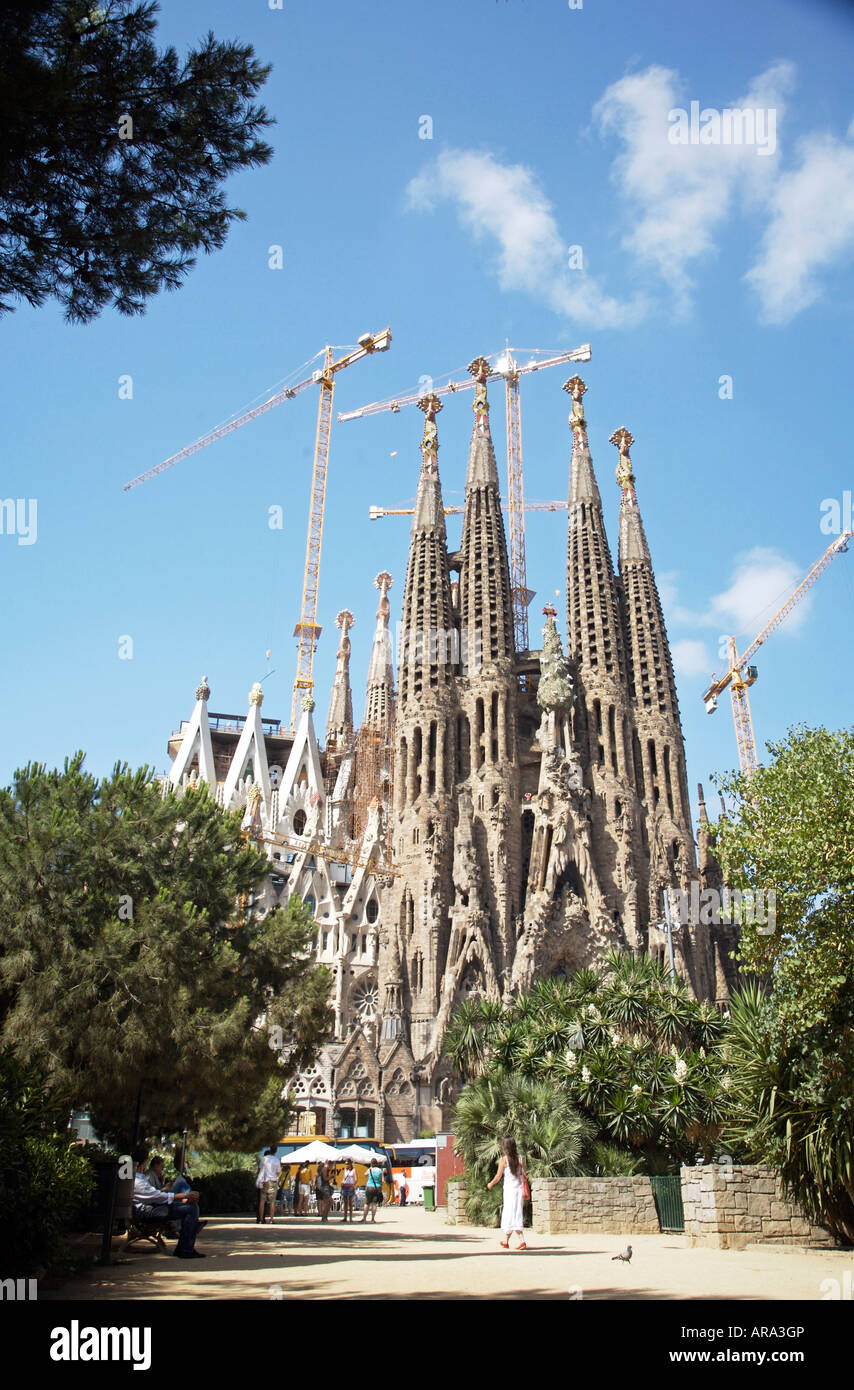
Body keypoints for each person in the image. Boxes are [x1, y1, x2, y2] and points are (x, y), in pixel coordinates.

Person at [132, 1145, 205, 1259]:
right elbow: (156, 1196)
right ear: (145, 1162)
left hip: (151, 1207)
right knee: (192, 1208)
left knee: (185, 1195)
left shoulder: (137, 1177)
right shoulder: (138, 1180)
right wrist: (184, 1195)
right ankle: (185, 1249)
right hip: (149, 1211)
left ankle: (186, 1243)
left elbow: (154, 1195)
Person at [486, 1136, 527, 1251]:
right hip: (518, 1191)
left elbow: (498, 1176)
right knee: (516, 1213)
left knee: (510, 1214)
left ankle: (521, 1241)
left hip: (509, 1191)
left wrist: (490, 1184)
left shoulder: (503, 1160)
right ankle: (506, 1241)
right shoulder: (520, 1159)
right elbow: (524, 1175)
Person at [257, 1145, 282, 1225]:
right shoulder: (276, 1160)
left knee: (262, 1200)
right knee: (272, 1201)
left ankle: (261, 1219)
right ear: (275, 1151)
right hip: (273, 1181)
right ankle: (271, 1219)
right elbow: (278, 1172)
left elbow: (260, 1169)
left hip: (264, 1181)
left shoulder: (264, 1159)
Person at [361, 1158, 384, 1223]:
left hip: (369, 1187)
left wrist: (370, 1169)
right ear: (377, 1163)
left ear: (371, 1163)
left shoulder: (370, 1169)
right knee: (374, 1204)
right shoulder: (380, 1170)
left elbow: (365, 1174)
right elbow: (382, 1181)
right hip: (377, 1187)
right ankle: (372, 1219)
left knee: (367, 1203)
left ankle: (364, 1219)